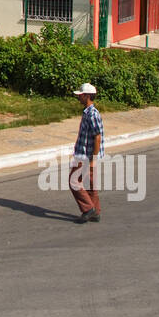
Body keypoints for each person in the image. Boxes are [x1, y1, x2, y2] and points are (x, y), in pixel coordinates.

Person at [70, 83, 103, 223]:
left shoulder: (92, 114)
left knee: (73, 182)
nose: (79, 98)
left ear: (87, 96)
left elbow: (97, 137)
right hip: (86, 155)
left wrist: (93, 159)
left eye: (81, 95)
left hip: (85, 156)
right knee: (90, 184)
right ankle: (95, 212)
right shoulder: (88, 112)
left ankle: (88, 209)